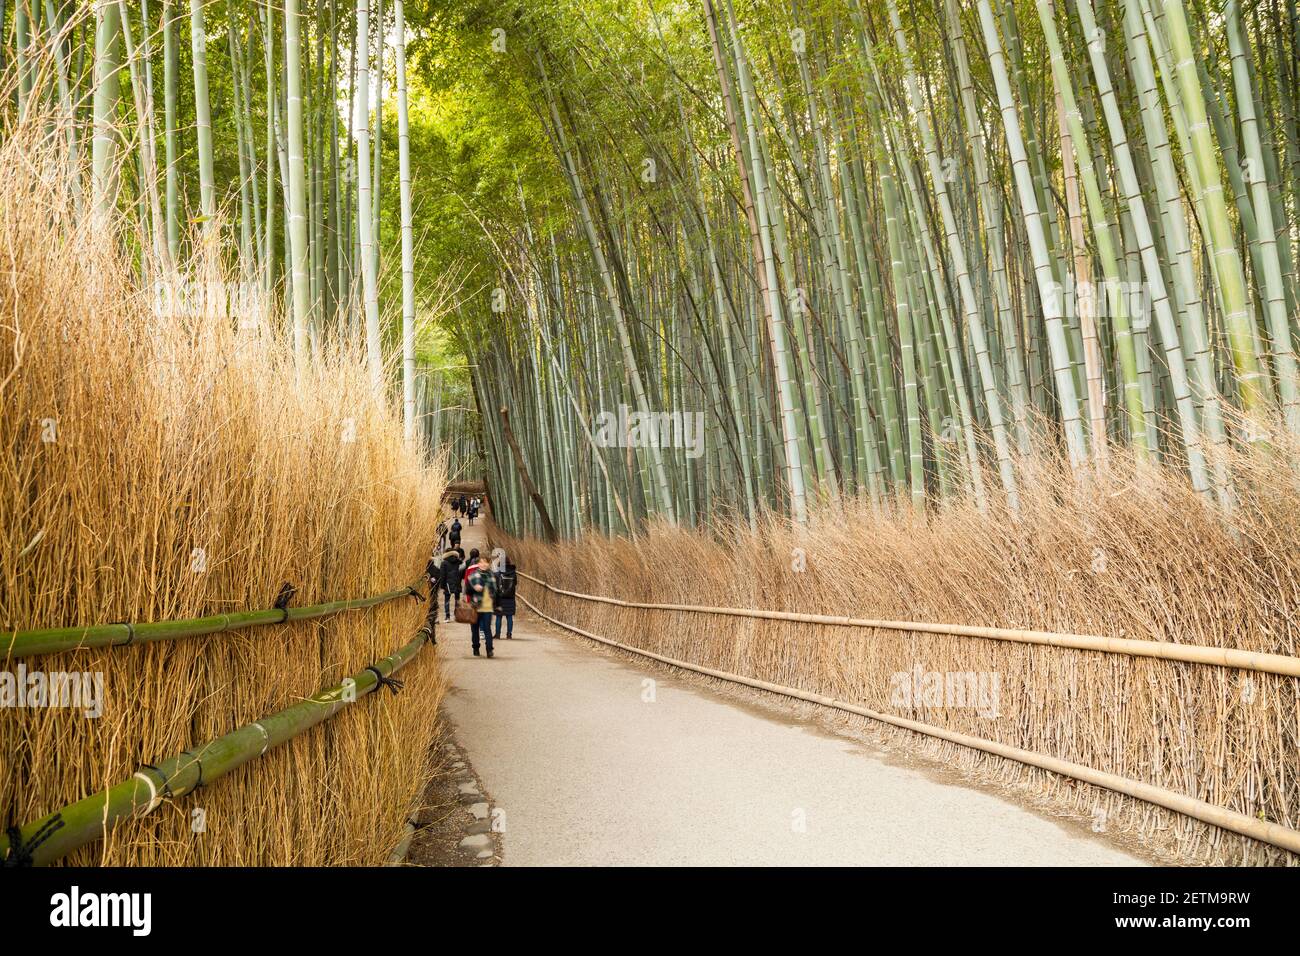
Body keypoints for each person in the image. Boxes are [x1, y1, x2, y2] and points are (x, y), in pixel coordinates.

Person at [465, 554, 497, 657]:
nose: (483, 564)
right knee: (475, 629)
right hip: (475, 606)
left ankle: (489, 650)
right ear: (478, 564)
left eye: (486, 562)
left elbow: (496, 591)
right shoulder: (473, 575)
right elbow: (467, 591)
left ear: (489, 564)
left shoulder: (492, 576)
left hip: (487, 606)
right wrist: (474, 588)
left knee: (487, 628)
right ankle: (475, 647)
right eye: (481, 562)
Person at [434, 547, 463, 622]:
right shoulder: (458, 562)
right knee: (457, 600)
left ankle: (447, 617)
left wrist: (442, 585)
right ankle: (456, 616)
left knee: (447, 600)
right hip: (457, 582)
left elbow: (442, 575)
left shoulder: (444, 563)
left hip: (448, 583)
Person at [494, 560, 517, 641]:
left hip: (500, 598)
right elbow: (515, 584)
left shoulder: (497, 574)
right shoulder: (513, 573)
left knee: (498, 617)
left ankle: (497, 634)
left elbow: (495, 586)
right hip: (510, 598)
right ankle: (509, 635)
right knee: (509, 616)